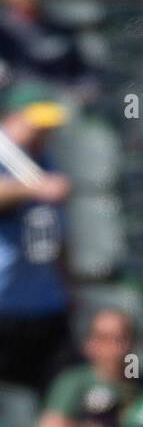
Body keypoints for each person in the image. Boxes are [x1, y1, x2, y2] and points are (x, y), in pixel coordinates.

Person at [0, 81, 70, 390]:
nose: (44, 134)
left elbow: (59, 235)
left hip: (44, 305)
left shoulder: (44, 161)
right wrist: (32, 189)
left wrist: (69, 286)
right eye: (36, 126)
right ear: (12, 118)